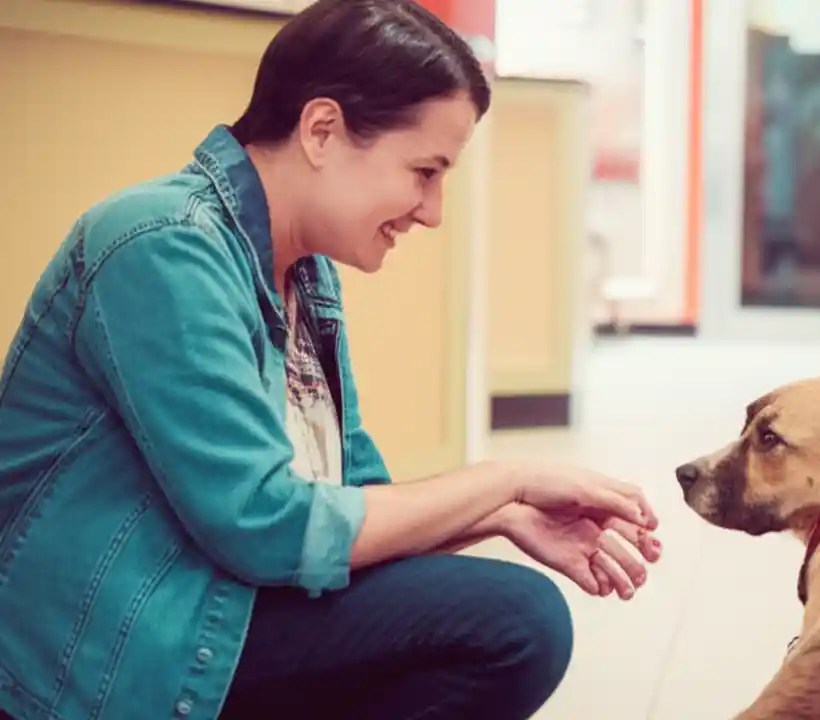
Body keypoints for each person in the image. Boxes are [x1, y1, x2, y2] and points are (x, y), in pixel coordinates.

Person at [0, 2, 661, 718]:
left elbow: (354, 498)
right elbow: (266, 525)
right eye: (425, 170)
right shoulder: (161, 247)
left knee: (507, 621)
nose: (433, 210)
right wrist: (508, 476)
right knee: (513, 619)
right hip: (116, 656)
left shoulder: (306, 276)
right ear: (322, 130)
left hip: (210, 607)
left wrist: (504, 513)